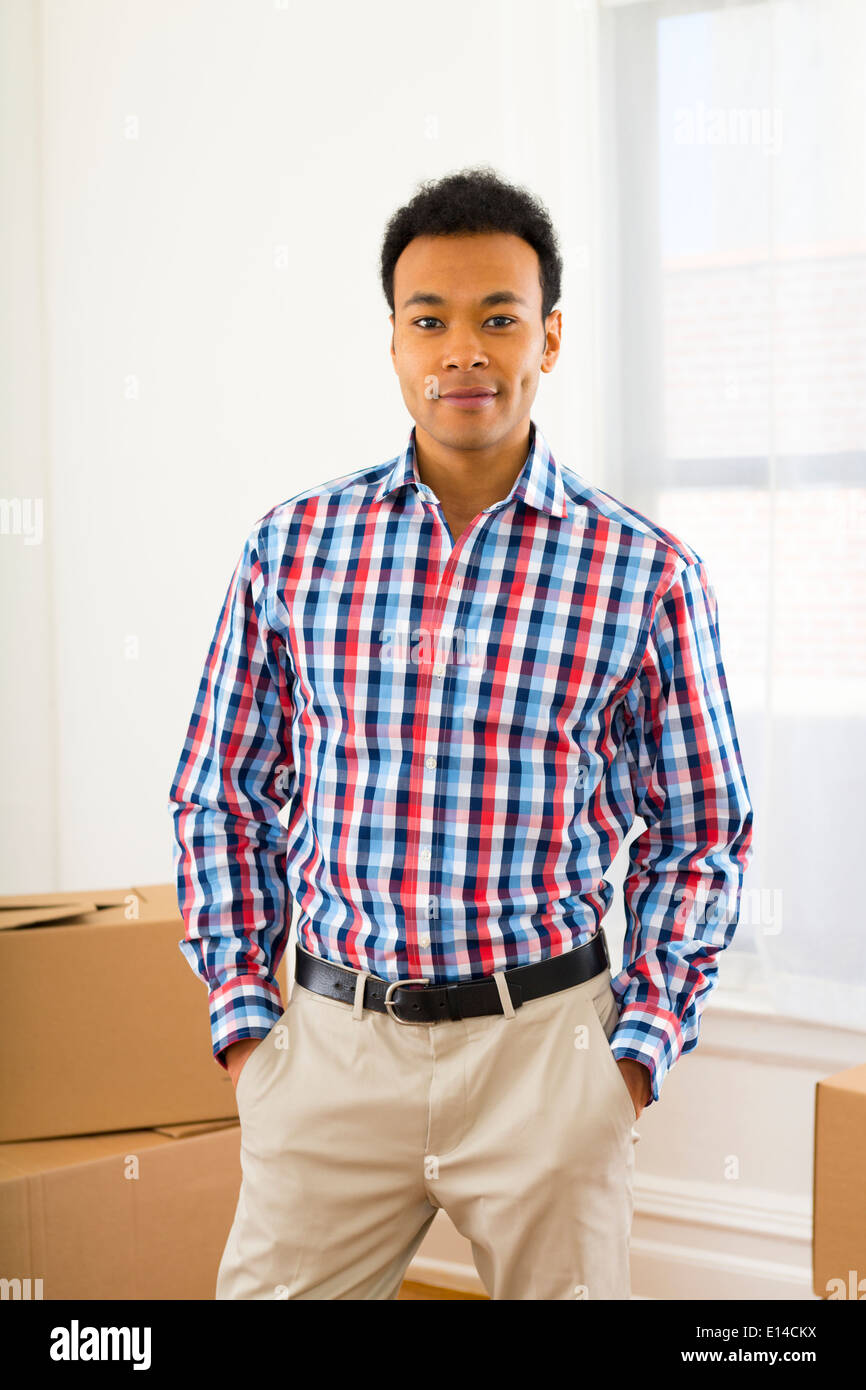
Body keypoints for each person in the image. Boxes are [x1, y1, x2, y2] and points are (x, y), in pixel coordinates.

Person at [168, 165, 754, 1301]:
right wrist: (248, 1026)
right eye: (427, 319)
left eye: (498, 318)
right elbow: (219, 793)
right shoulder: (291, 550)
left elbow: (702, 835)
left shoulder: (644, 573)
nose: (462, 351)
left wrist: (632, 1056)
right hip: (331, 1047)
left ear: (550, 337)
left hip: (547, 1052)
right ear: (391, 341)